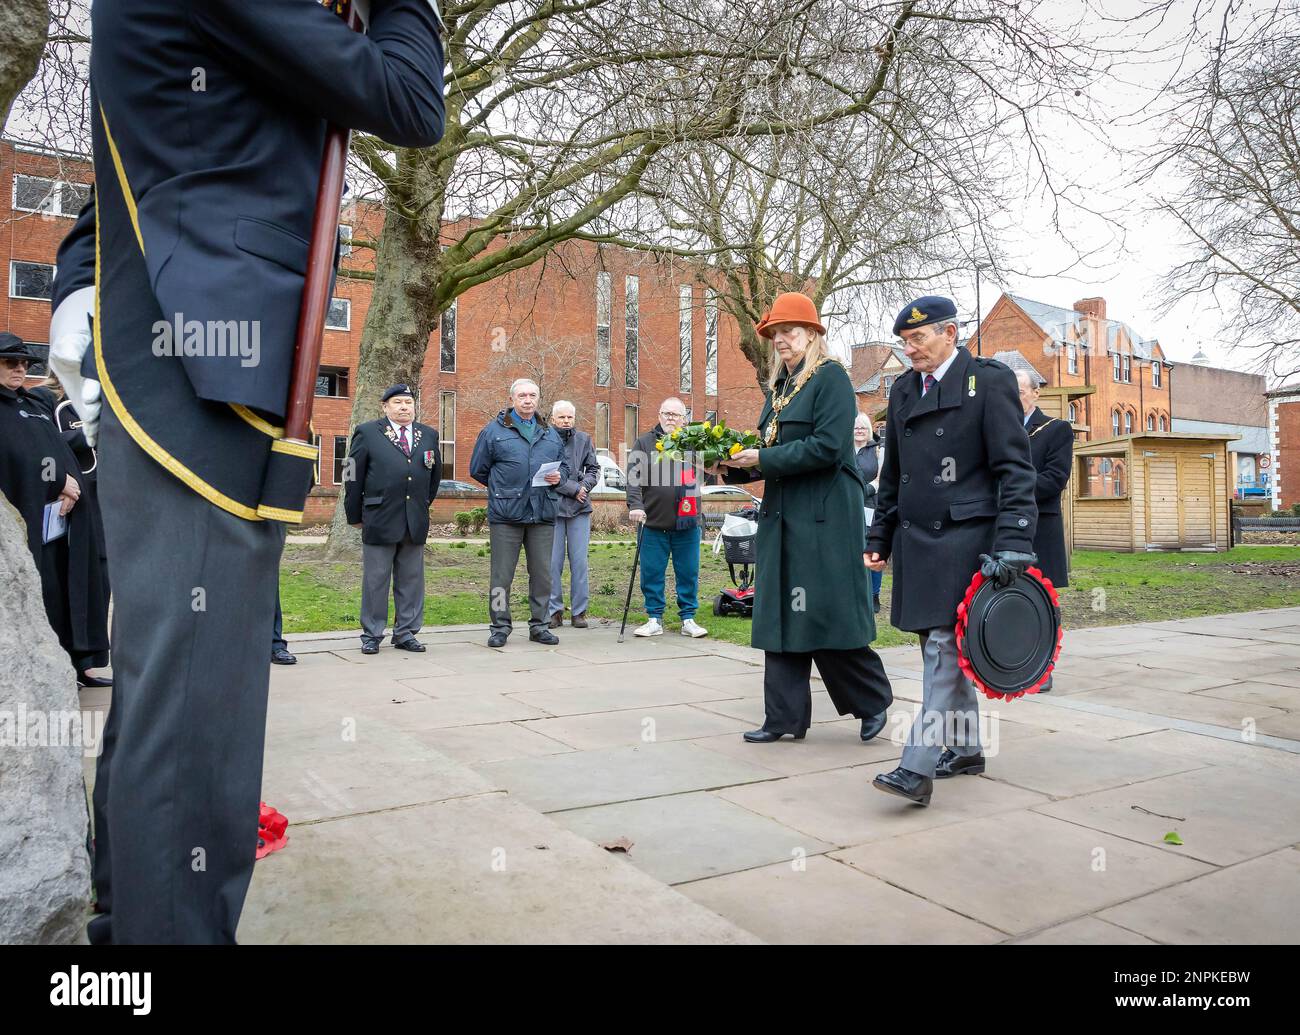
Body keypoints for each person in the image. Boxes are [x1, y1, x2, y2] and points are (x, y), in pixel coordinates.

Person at [48, 0, 446, 944]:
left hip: (177, 351)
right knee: (198, 709)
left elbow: (133, 160)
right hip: (199, 367)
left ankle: (123, 941)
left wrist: (75, 279)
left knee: (169, 686)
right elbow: (406, 94)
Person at [867, 296, 1038, 806]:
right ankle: (965, 749)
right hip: (918, 541)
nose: (909, 349)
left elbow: (1015, 470)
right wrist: (879, 537)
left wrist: (1014, 542)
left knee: (943, 647)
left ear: (951, 333)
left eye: (918, 338)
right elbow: (893, 475)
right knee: (938, 647)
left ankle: (915, 766)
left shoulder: (988, 382)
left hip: (969, 541)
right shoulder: (902, 390)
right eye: (904, 341)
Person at [717, 293, 891, 743]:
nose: (781, 341)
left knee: (826, 616)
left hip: (824, 518)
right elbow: (776, 451)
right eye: (775, 334)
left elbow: (830, 448)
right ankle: (784, 719)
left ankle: (872, 701)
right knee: (780, 613)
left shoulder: (830, 378)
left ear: (813, 334)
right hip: (784, 515)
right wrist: (734, 464)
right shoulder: (781, 387)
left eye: (789, 332)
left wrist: (766, 458)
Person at [0, 336, 111, 686]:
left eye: (24, 363)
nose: (19, 368)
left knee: (71, 589)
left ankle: (80, 665)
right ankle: (49, 674)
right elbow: (14, 460)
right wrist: (56, 482)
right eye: (10, 362)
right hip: (28, 518)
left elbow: (58, 447)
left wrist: (70, 486)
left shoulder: (34, 403)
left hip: (64, 518)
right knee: (43, 591)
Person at [470, 379, 567, 648]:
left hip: (542, 513)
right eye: (522, 395)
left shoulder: (550, 433)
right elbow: (478, 469)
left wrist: (560, 477)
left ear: (538, 399)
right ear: (512, 399)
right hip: (506, 515)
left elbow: (566, 467)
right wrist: (504, 488)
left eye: (532, 395)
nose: (527, 400)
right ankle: (499, 626)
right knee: (501, 577)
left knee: (543, 575)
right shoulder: (493, 431)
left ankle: (540, 625)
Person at [344, 384, 441, 655]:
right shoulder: (367, 433)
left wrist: (421, 506)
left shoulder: (428, 435)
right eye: (397, 402)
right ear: (385, 406)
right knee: (376, 579)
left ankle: (406, 632)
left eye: (408, 403)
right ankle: (372, 634)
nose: (403, 407)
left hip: (414, 519)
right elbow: (352, 476)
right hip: (379, 517)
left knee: (411, 579)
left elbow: (433, 478)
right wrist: (354, 514)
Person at [626, 398, 708, 639]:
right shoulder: (644, 442)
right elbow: (633, 479)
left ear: (684, 418)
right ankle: (654, 618)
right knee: (651, 572)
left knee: (688, 572)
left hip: (688, 522)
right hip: (652, 523)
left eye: (676, 414)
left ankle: (688, 619)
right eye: (666, 413)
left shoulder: (695, 444)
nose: (670, 418)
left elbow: (708, 475)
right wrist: (636, 505)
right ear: (659, 415)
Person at [1017, 369, 1073, 691]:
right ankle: (1012, 664)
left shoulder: (1055, 429)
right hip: (1004, 524)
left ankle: (1042, 669)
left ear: (1036, 393)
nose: (1015, 398)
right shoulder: (1000, 429)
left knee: (1043, 599)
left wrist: (1012, 488)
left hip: (1041, 526)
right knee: (1012, 597)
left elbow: (1055, 479)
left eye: (1021, 391)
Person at [547, 400, 600, 629]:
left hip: (580, 509)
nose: (566, 421)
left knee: (579, 563)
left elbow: (594, 469)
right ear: (553, 419)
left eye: (569, 417)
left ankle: (579, 612)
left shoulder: (584, 439)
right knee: (552, 564)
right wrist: (574, 489)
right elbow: (546, 475)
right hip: (553, 509)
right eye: (562, 417)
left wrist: (585, 487)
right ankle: (554, 611)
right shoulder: (545, 439)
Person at [854, 413, 884, 614]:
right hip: (847, 506)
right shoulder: (845, 449)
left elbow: (881, 479)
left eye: (863, 428)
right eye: (856, 428)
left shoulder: (877, 451)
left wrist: (865, 490)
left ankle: (874, 594)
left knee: (872, 549)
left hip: (870, 506)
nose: (859, 431)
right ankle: (855, 592)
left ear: (869, 431)